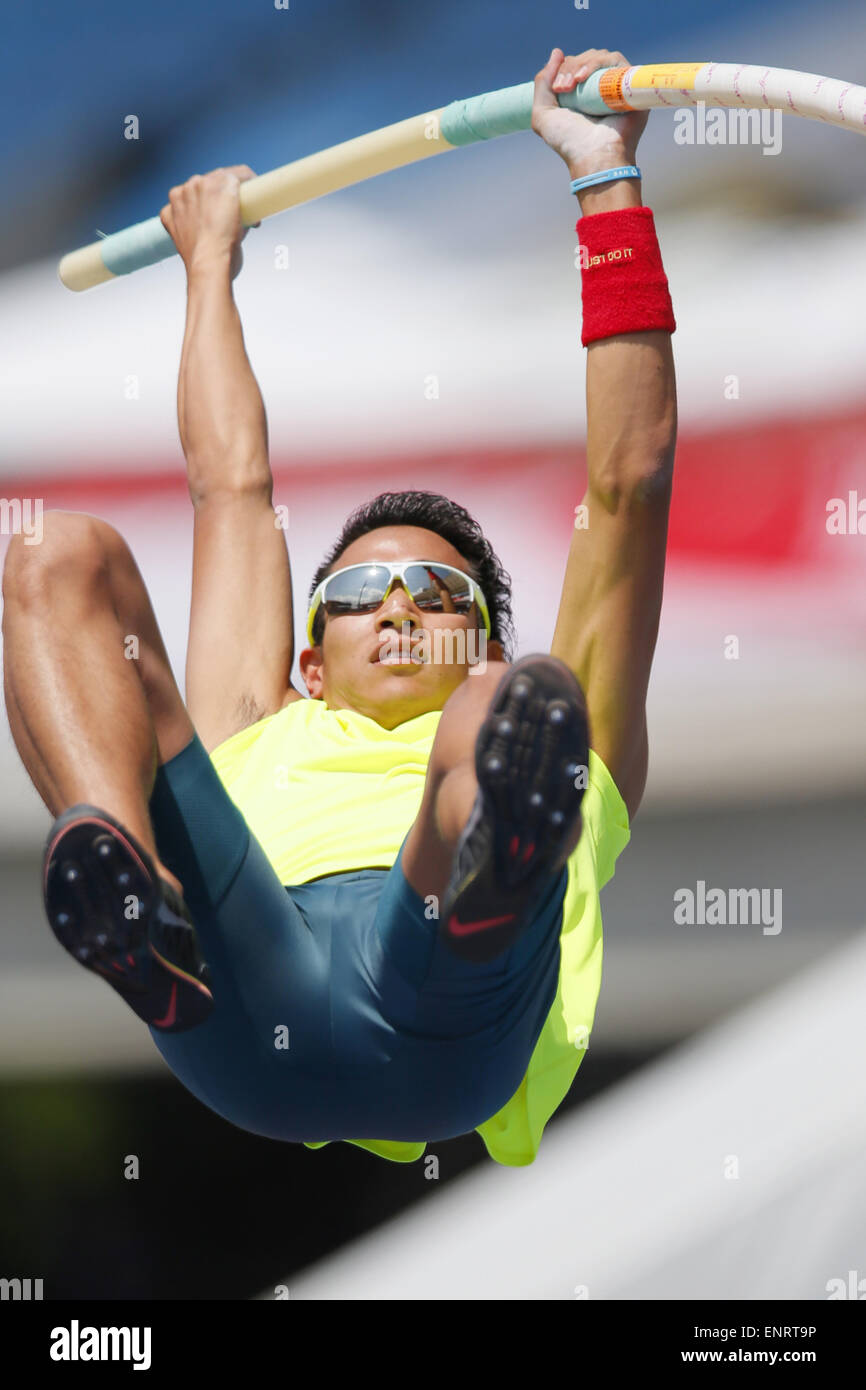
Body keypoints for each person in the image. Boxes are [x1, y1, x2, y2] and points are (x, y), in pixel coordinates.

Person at [1, 47, 676, 1166]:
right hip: (233, 978)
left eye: (436, 591)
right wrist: (207, 264)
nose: (399, 604)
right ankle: (133, 902)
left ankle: (486, 885)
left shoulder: (538, 724)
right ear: (309, 661)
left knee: (522, 711)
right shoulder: (257, 724)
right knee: (50, 554)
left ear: (478, 633)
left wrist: (602, 175)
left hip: (447, 1021)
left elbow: (626, 485)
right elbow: (231, 481)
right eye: (360, 591)